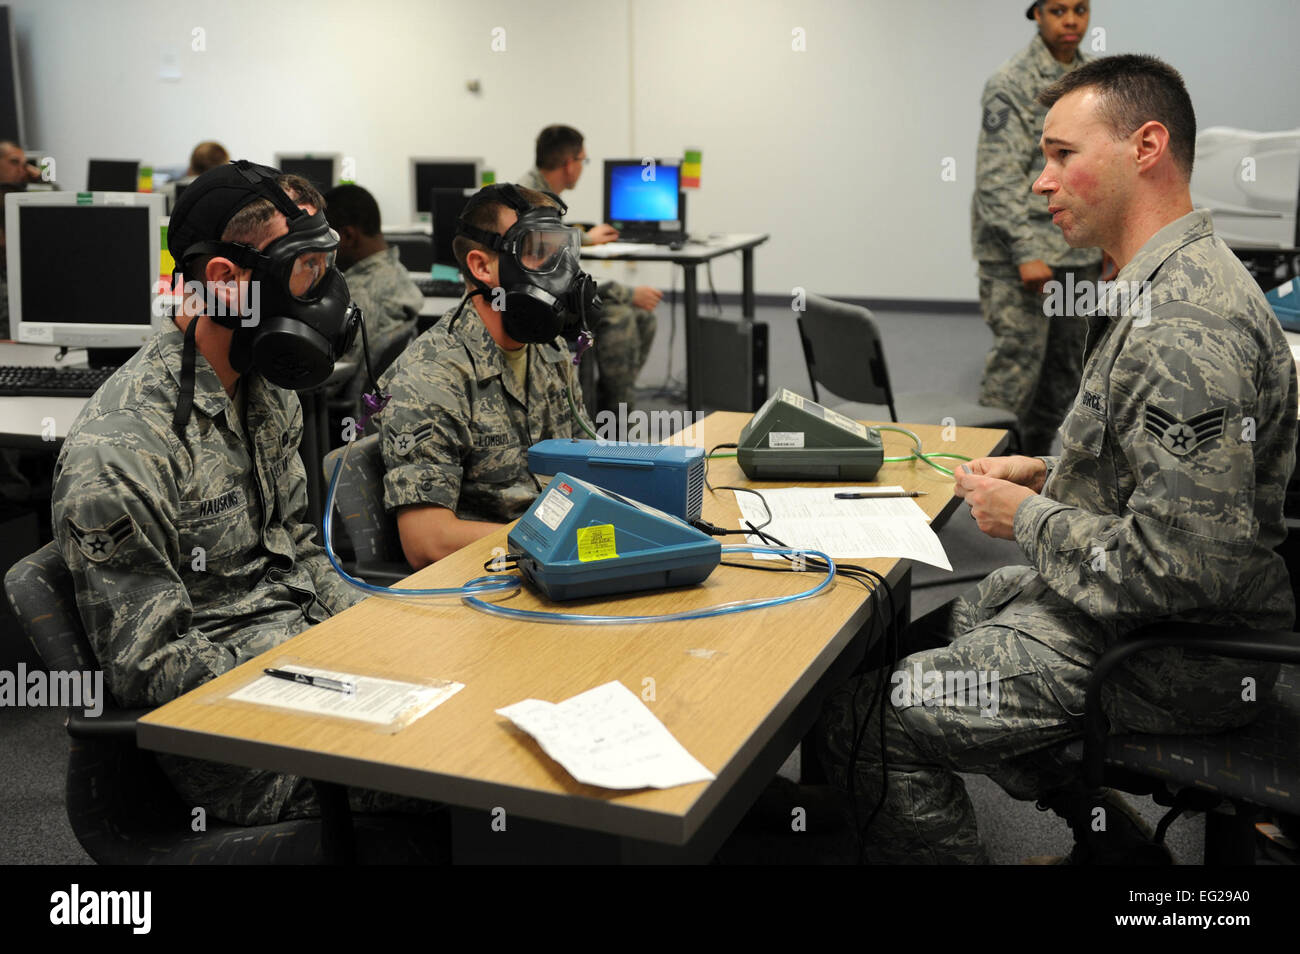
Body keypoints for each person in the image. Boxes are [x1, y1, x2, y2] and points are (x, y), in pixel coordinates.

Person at [822, 54, 1298, 864]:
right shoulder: (1160, 284)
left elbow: (1187, 567)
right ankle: (1106, 837)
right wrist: (1048, 474)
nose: (1041, 181)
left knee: (871, 720)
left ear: (1145, 148)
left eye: (1061, 155)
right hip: (1141, 619)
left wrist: (1029, 518)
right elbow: (1155, 475)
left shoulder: (1186, 325)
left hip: (1173, 654)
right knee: (955, 620)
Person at [51, 160, 414, 826]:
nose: (326, 292)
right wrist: (319, 690)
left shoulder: (262, 389)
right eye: (305, 270)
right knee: (461, 781)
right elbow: (152, 664)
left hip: (314, 670)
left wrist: (375, 642)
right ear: (225, 281)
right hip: (246, 748)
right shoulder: (122, 449)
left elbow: (299, 551)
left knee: (465, 691)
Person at [378, 183, 595, 570]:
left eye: (563, 252)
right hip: (486, 583)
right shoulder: (429, 377)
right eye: (539, 253)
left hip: (559, 566)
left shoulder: (551, 351)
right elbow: (427, 542)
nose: (563, 273)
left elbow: (589, 468)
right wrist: (560, 541)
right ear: (482, 267)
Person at [972, 1, 1103, 455]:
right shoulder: (1011, 83)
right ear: (1036, 15)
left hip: (1077, 256)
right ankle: (984, 470)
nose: (1071, 21)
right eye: (1058, 10)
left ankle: (1029, 467)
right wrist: (1025, 251)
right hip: (1021, 259)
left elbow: (1101, 169)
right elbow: (997, 177)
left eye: (1080, 10)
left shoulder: (1095, 84)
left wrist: (1108, 242)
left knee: (1067, 373)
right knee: (1016, 369)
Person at [520, 125, 662, 415]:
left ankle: (609, 405)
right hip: (542, 303)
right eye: (583, 161)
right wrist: (628, 292)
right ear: (569, 164)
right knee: (620, 316)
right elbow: (565, 278)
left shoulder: (534, 192)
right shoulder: (536, 203)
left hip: (548, 294)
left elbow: (551, 243)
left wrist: (584, 237)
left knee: (645, 319)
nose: (582, 168)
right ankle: (621, 423)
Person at [322, 183, 422, 393]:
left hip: (337, 417)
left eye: (325, 237)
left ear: (347, 236)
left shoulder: (356, 298)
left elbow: (330, 382)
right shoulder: (397, 271)